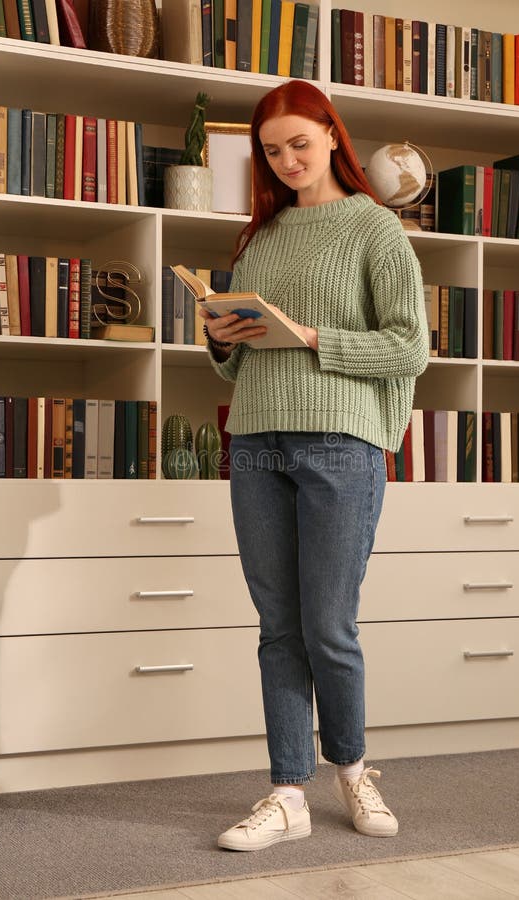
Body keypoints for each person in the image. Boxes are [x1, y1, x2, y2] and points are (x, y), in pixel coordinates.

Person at [200, 80, 429, 852]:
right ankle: (286, 792)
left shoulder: (376, 229)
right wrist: (225, 337)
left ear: (333, 135)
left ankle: (355, 770)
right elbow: (238, 372)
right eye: (272, 150)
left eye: (300, 141)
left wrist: (309, 337)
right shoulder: (259, 238)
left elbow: (408, 348)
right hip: (258, 441)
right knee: (277, 629)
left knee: (328, 625)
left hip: (342, 442)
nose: (287, 159)